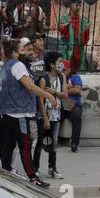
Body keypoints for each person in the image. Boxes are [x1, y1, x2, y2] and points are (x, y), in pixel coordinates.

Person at [0, 38, 58, 187]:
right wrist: (48, 95)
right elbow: (29, 86)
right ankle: (32, 178)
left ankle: (6, 175)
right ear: (15, 52)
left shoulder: (6, 65)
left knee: (10, 145)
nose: (29, 52)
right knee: (25, 145)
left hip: (7, 112)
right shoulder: (17, 65)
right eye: (24, 49)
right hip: (19, 113)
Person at [34, 51, 66, 180]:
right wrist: (45, 119)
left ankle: (52, 168)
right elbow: (40, 101)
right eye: (59, 62)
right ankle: (34, 168)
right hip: (44, 116)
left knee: (54, 143)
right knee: (40, 143)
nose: (62, 64)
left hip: (56, 115)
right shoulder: (43, 79)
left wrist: (53, 92)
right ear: (52, 65)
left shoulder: (62, 76)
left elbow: (65, 94)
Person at [59, 0, 90, 72]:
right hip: (67, 46)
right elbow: (62, 31)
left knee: (78, 69)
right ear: (71, 5)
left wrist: (86, 30)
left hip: (78, 47)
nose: (78, 8)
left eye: (80, 6)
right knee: (66, 69)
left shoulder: (84, 20)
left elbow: (85, 38)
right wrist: (67, 24)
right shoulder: (64, 18)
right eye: (76, 5)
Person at [60, 61, 84, 152]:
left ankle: (74, 143)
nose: (62, 71)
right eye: (61, 69)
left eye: (64, 70)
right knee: (53, 116)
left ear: (69, 69)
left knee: (77, 117)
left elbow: (77, 90)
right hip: (61, 104)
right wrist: (68, 87)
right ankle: (49, 140)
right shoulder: (58, 77)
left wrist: (62, 89)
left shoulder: (75, 77)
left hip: (74, 104)